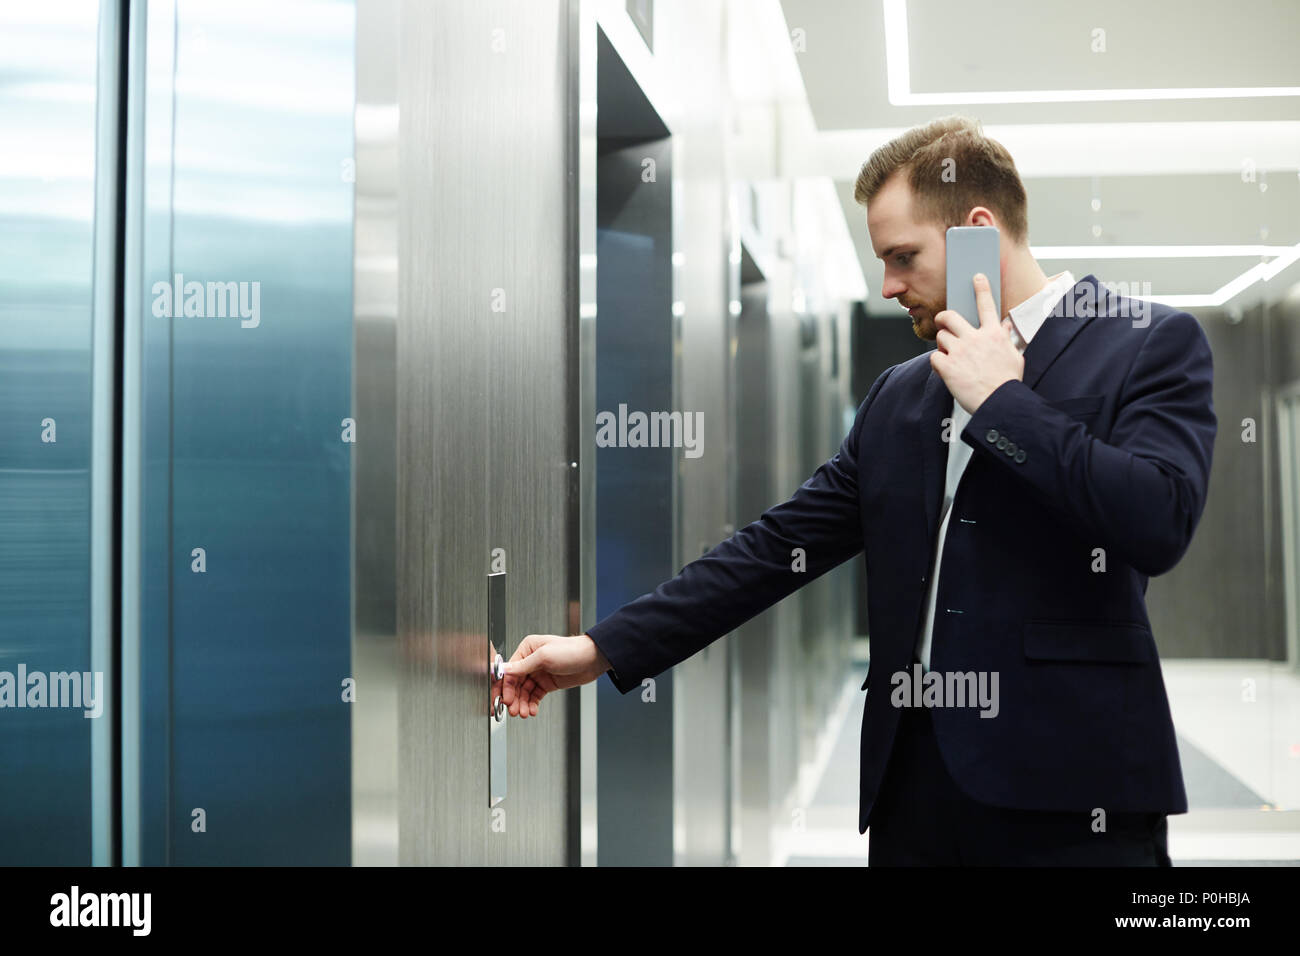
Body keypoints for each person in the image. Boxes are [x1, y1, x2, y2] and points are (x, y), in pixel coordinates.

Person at [503, 115, 1216, 866]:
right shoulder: (900, 395)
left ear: (978, 229)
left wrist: (1005, 403)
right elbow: (778, 548)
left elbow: (1157, 520)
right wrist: (604, 648)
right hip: (911, 794)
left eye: (903, 257)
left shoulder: (1147, 343)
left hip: (1074, 795)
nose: (889, 286)